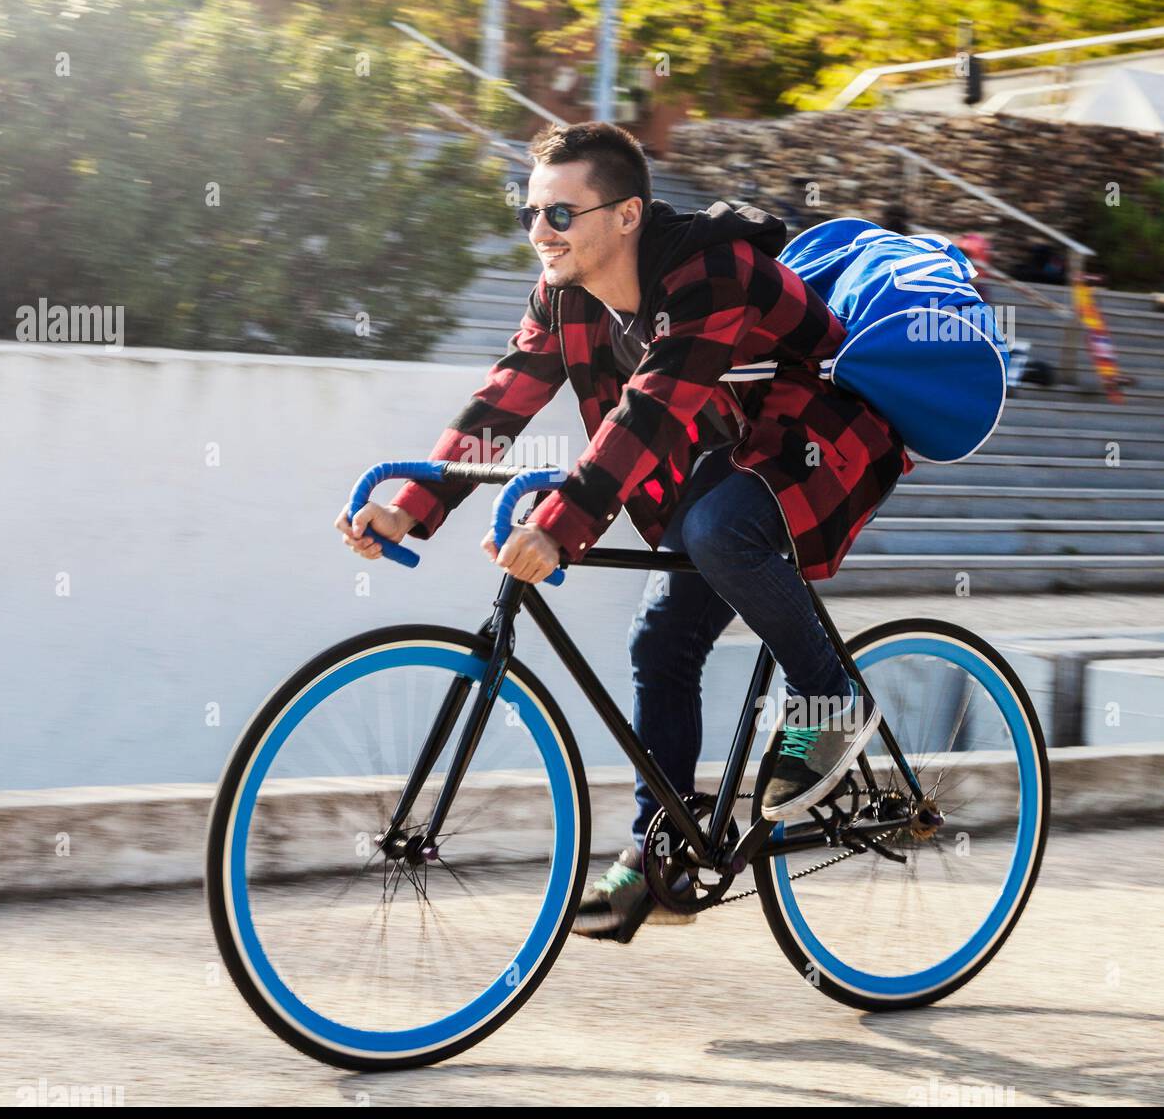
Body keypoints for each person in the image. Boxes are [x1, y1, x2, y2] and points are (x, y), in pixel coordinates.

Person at [334, 121, 912, 943]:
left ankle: (831, 702)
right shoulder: (564, 295)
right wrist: (413, 504)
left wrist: (564, 523)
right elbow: (505, 398)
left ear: (628, 215)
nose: (540, 232)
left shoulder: (716, 270)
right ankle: (660, 852)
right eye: (532, 214)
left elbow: (651, 411)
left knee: (717, 530)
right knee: (660, 642)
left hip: (822, 430)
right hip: (730, 447)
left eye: (561, 215)